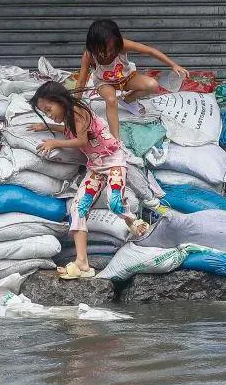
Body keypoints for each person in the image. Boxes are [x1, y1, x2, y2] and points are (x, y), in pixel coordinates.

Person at [28, 81, 150, 279]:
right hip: (96, 167)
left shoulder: (78, 111)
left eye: (49, 109)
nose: (49, 114)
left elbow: (82, 141)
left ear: (59, 101)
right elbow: (71, 130)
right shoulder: (69, 117)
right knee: (77, 208)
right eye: (45, 112)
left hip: (113, 160)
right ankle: (82, 263)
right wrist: (46, 125)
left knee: (115, 202)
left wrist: (54, 142)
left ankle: (133, 222)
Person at [78, 18, 188, 139]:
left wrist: (173, 65)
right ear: (93, 45)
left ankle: (127, 100)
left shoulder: (122, 45)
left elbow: (150, 51)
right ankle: (116, 138)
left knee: (152, 84)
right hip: (104, 82)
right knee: (111, 100)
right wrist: (75, 103)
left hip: (126, 78)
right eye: (102, 50)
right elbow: (82, 80)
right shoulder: (89, 55)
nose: (107, 53)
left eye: (111, 49)